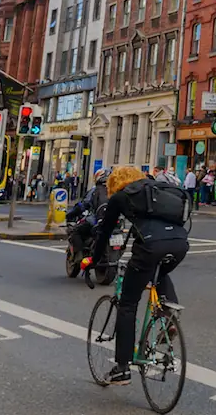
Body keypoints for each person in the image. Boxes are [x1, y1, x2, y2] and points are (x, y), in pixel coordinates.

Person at [88, 165, 190, 386]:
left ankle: (122, 369)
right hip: (180, 244)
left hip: (151, 246)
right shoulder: (156, 191)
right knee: (159, 271)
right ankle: (168, 312)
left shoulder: (121, 198)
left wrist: (93, 261)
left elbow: (105, 232)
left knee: (128, 304)